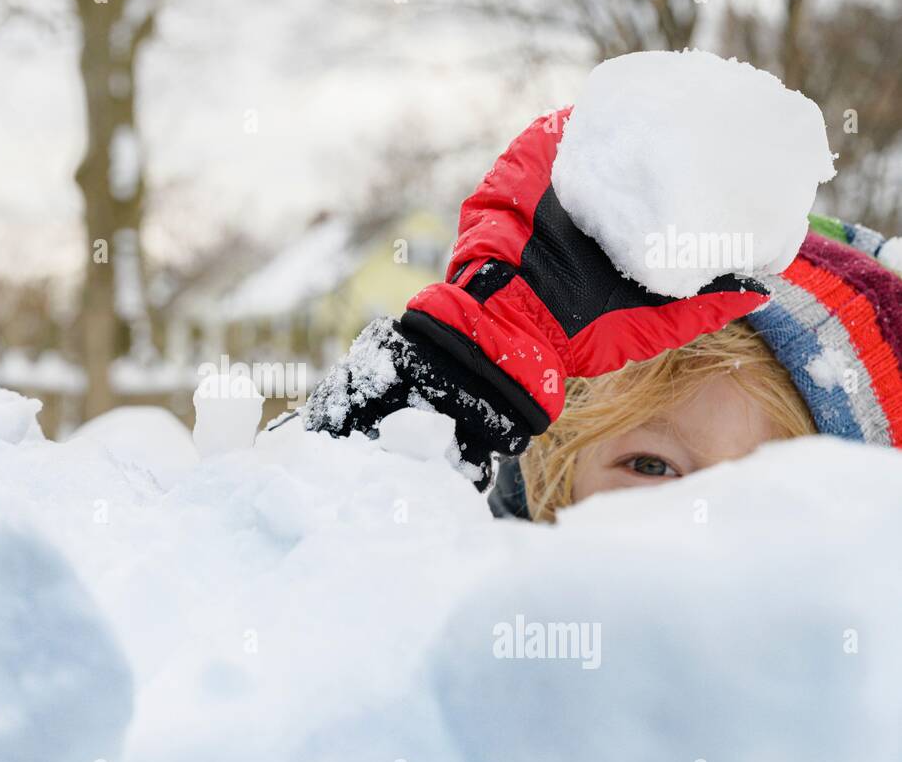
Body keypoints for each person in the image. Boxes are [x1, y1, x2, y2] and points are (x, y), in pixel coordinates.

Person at [299, 110, 902, 522]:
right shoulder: (479, 640)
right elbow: (298, 567)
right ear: (559, 486)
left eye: (775, 497)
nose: (700, 527)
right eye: (651, 466)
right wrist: (460, 379)